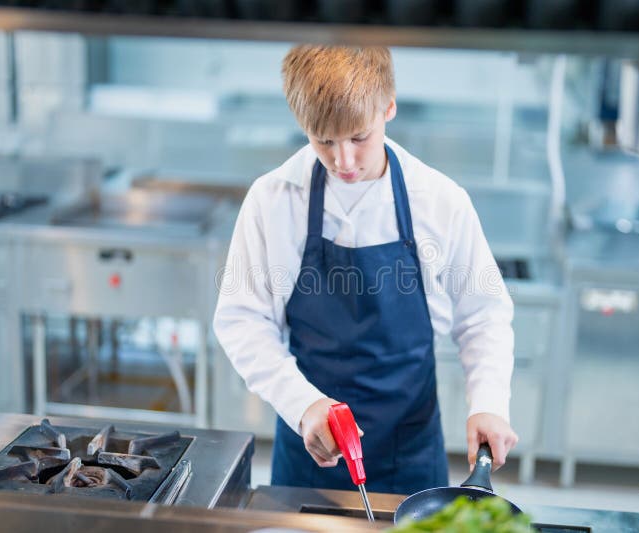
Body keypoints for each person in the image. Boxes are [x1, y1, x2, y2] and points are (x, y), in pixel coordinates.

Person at [213, 45, 517, 495]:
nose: (344, 161)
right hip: (310, 449)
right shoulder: (273, 200)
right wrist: (304, 404)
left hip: (410, 450)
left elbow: (483, 315)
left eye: (358, 137)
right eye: (323, 141)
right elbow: (242, 320)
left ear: (388, 106)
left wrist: (489, 403)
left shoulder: (438, 200)